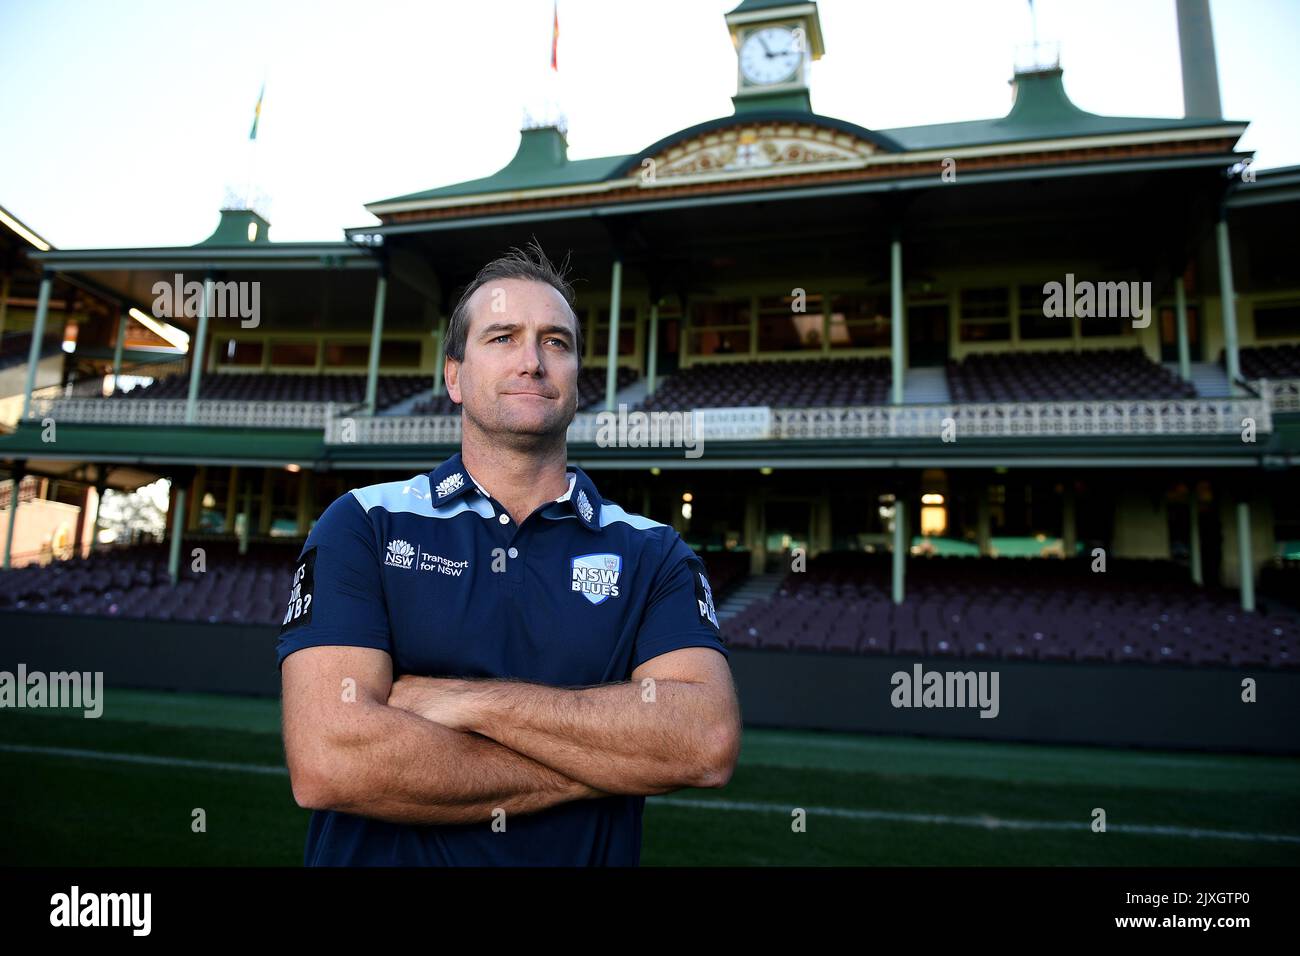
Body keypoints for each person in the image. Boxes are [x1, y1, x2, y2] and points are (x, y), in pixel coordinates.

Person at [277, 241, 741, 865]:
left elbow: (703, 738)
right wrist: (604, 763)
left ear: (579, 379)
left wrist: (463, 701)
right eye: (501, 337)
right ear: (454, 376)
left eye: (556, 341)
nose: (532, 361)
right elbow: (331, 761)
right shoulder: (363, 525)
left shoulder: (654, 553)